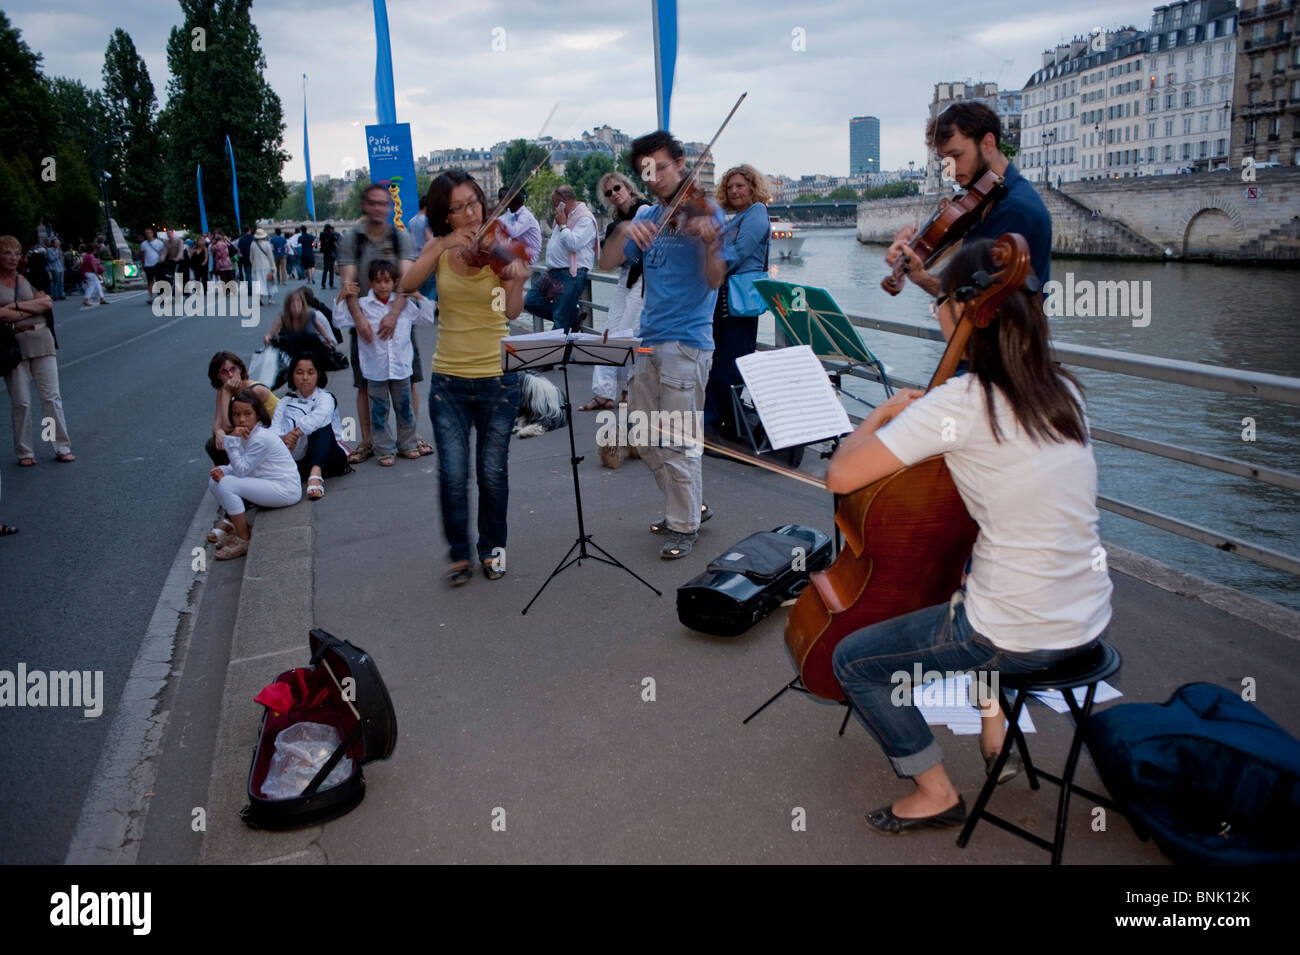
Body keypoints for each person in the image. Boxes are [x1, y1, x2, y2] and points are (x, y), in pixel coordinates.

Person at [825, 237, 1111, 836]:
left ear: (961, 310)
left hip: (1016, 633)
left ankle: (934, 793)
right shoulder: (1066, 392)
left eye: (940, 302)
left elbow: (841, 475)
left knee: (854, 660)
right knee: (972, 577)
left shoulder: (961, 399)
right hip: (1087, 620)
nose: (936, 312)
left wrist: (879, 417)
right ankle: (993, 727)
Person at [597, 130, 727, 559]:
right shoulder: (651, 215)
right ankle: (688, 507)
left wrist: (710, 242)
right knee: (644, 435)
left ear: (680, 163)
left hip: (687, 344)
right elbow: (607, 261)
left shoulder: (706, 214)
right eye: (645, 172)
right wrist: (624, 229)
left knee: (678, 440)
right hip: (649, 340)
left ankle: (683, 524)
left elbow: (714, 280)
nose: (654, 178)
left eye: (661, 168)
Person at [401, 169, 529, 585]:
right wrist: (440, 243)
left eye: (473, 202)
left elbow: (510, 313)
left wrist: (516, 281)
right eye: (457, 209)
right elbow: (406, 283)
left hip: (498, 379)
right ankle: (459, 554)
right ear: (445, 216)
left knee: (493, 472)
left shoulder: (502, 247)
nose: (470, 214)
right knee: (453, 474)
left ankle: (493, 549)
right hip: (449, 381)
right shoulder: (438, 249)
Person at [887, 101, 1052, 303]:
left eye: (956, 156)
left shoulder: (1014, 209)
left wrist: (921, 277)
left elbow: (975, 299)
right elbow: (961, 265)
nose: (950, 169)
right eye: (945, 160)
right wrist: (915, 244)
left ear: (988, 143)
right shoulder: (987, 199)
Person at [337, 183, 424, 463]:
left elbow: (408, 281)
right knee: (366, 384)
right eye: (372, 203)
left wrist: (395, 313)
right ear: (364, 206)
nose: (378, 209)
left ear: (389, 207)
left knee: (407, 379)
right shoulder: (352, 239)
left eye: (382, 204)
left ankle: (409, 437)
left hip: (396, 318)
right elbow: (348, 283)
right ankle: (370, 440)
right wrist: (360, 320)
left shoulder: (401, 238)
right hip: (365, 315)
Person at [333, 258, 436, 466]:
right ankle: (384, 449)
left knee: (404, 408)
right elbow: (340, 321)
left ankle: (407, 444)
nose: (383, 285)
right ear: (371, 283)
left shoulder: (404, 305)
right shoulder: (363, 306)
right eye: (378, 281)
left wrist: (417, 295)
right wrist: (340, 298)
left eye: (387, 281)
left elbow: (427, 319)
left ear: (395, 282)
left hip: (400, 367)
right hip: (375, 369)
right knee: (379, 411)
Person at [704, 164, 772, 441]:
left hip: (736, 296)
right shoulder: (740, 216)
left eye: (740, 186)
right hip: (728, 296)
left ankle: (712, 422)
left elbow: (739, 252)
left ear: (752, 188)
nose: (734, 191)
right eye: (730, 186)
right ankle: (721, 421)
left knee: (730, 361)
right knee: (727, 359)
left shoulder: (757, 213)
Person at [580, 171, 649, 424]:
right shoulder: (614, 224)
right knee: (609, 332)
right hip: (625, 278)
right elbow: (612, 259)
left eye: (617, 188)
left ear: (628, 187)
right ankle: (603, 392)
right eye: (608, 193)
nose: (614, 194)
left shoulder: (645, 210)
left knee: (630, 333)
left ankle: (627, 391)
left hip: (643, 278)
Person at [0, 235, 74, 465]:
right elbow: (1, 315)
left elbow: (47, 303)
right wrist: (29, 309)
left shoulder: (28, 278)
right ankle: (25, 452)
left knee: (51, 398)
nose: (13, 258)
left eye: (16, 253)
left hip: (42, 340)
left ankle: (60, 446)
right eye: (7, 253)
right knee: (21, 402)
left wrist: (15, 307)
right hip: (14, 347)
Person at [206, 389, 302, 560]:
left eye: (247, 413)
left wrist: (231, 441)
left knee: (227, 484)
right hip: (266, 482)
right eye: (236, 414)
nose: (241, 419)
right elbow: (240, 467)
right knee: (215, 481)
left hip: (285, 489)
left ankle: (243, 539)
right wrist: (224, 470)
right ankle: (239, 528)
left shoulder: (261, 437)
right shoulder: (246, 434)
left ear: (257, 414)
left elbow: (242, 470)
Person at [270, 353, 349, 500]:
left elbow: (317, 418)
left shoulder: (325, 397)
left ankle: (315, 476)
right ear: (292, 375)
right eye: (299, 372)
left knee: (321, 426)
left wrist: (295, 433)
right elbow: (275, 428)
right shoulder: (285, 401)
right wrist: (284, 439)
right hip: (299, 455)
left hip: (330, 456)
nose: (305, 377)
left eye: (310, 372)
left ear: (318, 375)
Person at [523, 185, 597, 332]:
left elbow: (573, 244)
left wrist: (562, 225)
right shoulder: (562, 216)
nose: (554, 208)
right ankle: (572, 317)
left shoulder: (585, 219)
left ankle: (557, 351)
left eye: (556, 205)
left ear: (565, 202)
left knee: (560, 323)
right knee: (530, 302)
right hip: (553, 272)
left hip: (570, 274)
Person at [206, 351, 278, 466]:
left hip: (272, 434)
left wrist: (226, 393)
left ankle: (237, 476)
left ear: (240, 369)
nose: (230, 375)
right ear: (218, 376)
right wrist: (219, 431)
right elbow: (217, 424)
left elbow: (228, 427)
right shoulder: (223, 389)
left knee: (230, 440)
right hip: (249, 432)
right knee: (214, 443)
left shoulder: (255, 390)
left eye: (232, 369)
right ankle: (226, 476)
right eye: (224, 372)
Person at [497, 186, 541, 266]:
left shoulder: (525, 216)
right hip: (518, 253)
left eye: (503, 200)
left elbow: (513, 232)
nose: (501, 203)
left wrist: (498, 218)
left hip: (529, 256)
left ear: (512, 200)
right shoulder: (513, 215)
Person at [250, 228, 277, 305]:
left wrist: (253, 264)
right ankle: (270, 299)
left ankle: (259, 298)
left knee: (258, 283)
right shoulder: (267, 244)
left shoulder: (253, 244)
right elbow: (270, 256)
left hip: (256, 266)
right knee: (269, 283)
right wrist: (273, 266)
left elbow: (251, 257)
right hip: (267, 266)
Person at [139, 228, 164, 303]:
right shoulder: (143, 244)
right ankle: (151, 297)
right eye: (146, 233)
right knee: (150, 281)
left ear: (152, 233)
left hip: (157, 264)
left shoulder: (159, 243)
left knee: (159, 281)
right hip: (148, 265)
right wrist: (143, 264)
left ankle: (161, 297)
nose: (148, 234)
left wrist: (161, 261)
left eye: (149, 233)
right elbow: (142, 254)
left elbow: (162, 253)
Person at [318, 223, 338, 289]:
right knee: (331, 269)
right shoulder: (332, 234)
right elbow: (335, 243)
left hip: (325, 253)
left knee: (325, 269)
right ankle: (331, 284)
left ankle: (323, 284)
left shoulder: (321, 234)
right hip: (331, 253)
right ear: (330, 228)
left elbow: (320, 242)